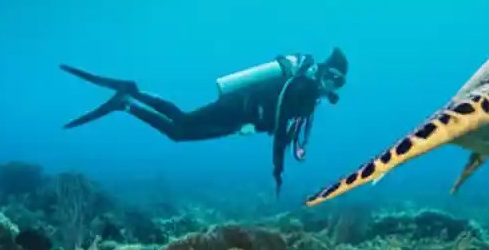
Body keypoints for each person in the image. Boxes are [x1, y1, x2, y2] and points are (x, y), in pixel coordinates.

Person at [60, 48, 348, 195]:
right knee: (179, 130)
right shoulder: (304, 90)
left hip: (239, 112)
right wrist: (277, 171)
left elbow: (283, 127)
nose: (332, 85)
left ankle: (131, 95)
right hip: (237, 113)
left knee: (181, 123)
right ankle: (126, 102)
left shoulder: (307, 93)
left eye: (339, 83)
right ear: (323, 69)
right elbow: (281, 122)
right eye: (332, 77)